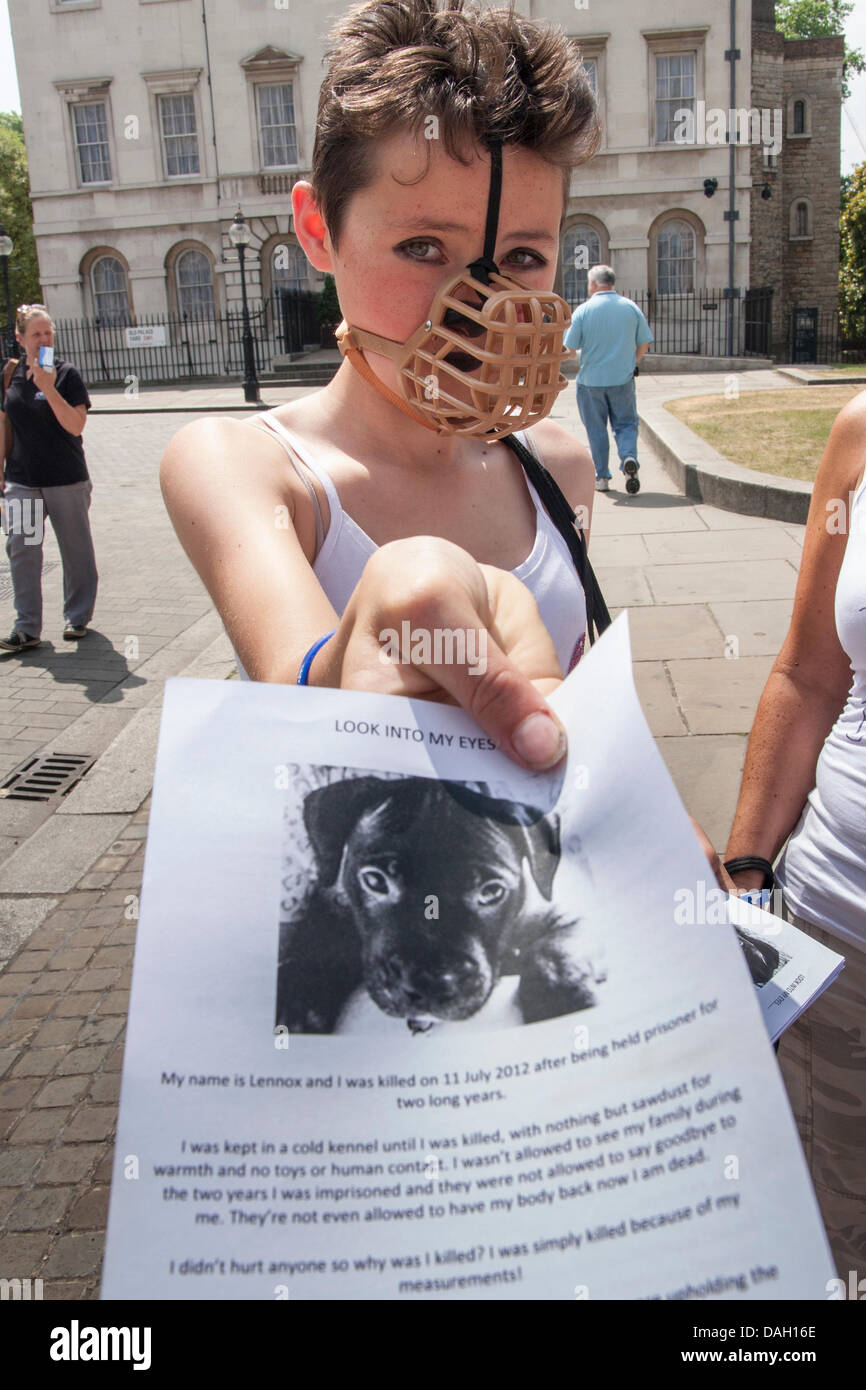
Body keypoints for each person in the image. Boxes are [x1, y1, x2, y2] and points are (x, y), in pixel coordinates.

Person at [161, 0, 601, 773]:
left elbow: (575, 682)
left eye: (526, 256)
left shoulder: (560, 470)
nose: (484, 306)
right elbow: (293, 674)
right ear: (318, 230)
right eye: (423, 245)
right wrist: (366, 631)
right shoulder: (247, 466)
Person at [724, 389, 866, 1276]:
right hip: (838, 940)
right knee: (827, 1240)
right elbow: (811, 674)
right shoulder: (861, 430)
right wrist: (745, 877)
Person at [0, 304, 97, 651]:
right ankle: (27, 627)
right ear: (20, 338)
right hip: (23, 479)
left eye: (47, 333)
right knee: (23, 549)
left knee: (76, 551)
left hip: (65, 479)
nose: (43, 339)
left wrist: (48, 387)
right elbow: (3, 424)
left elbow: (75, 425)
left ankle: (77, 617)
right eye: (36, 334)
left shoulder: (66, 375)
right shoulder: (8, 375)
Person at [564, 265, 653, 494]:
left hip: (590, 382)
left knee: (596, 430)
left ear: (593, 284)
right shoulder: (630, 307)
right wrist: (631, 361)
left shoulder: (583, 311)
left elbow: (569, 350)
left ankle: (602, 477)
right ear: (612, 283)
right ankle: (629, 458)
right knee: (625, 424)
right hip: (622, 379)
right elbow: (644, 343)